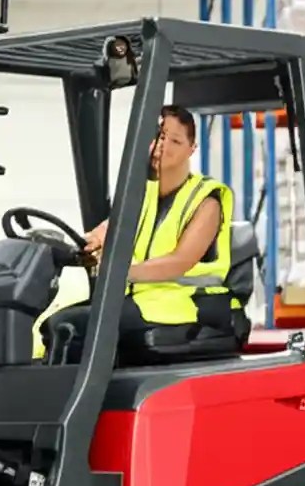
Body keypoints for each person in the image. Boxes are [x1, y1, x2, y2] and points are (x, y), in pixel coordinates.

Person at [39, 104, 238, 365]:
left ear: (192, 149)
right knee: (46, 324)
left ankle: (68, 401)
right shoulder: (143, 195)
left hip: (189, 306)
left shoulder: (206, 201)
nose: (163, 147)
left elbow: (181, 261)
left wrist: (122, 270)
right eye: (159, 138)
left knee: (70, 327)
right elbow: (107, 230)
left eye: (175, 141)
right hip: (144, 300)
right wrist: (86, 244)